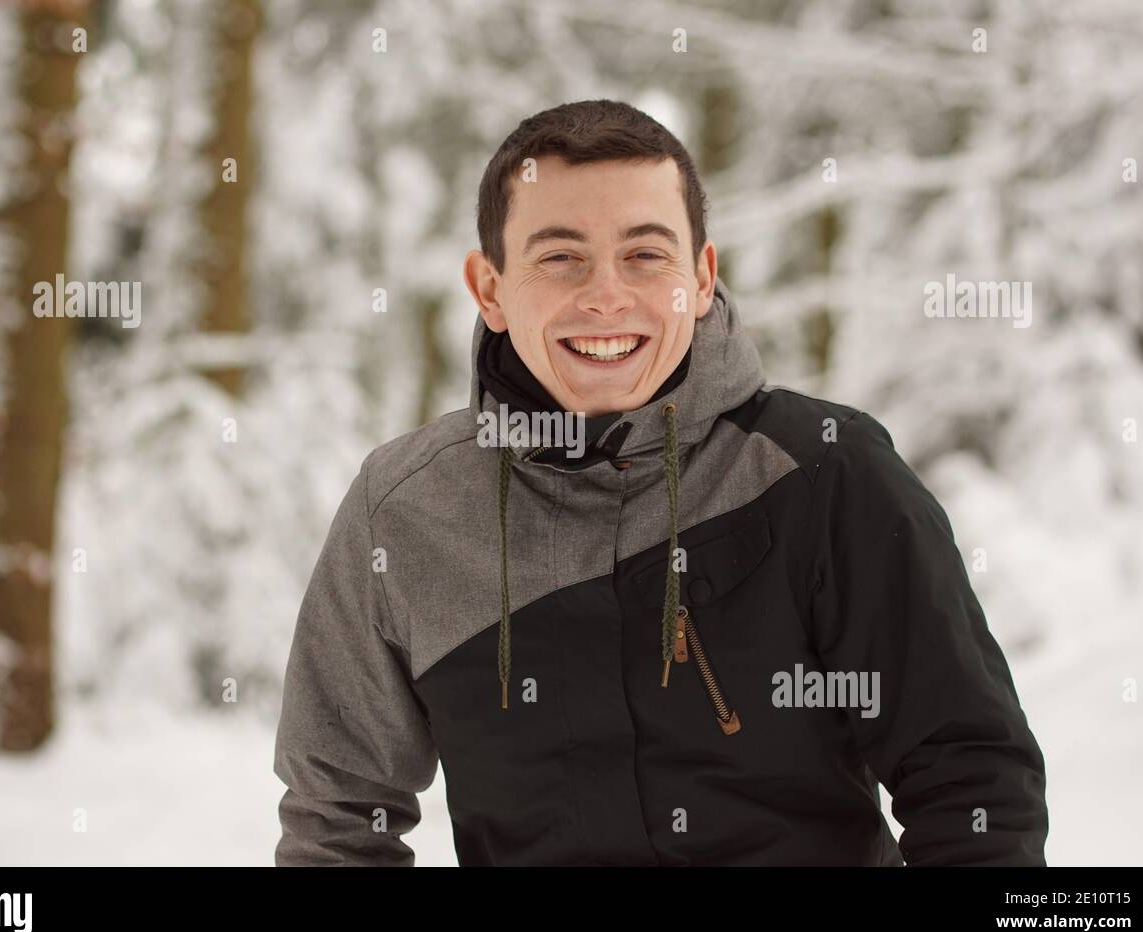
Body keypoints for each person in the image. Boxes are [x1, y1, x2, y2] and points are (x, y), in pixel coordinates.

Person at [273, 99, 1048, 866]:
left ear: (702, 277)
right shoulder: (405, 514)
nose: (606, 296)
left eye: (645, 254)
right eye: (560, 257)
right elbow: (339, 823)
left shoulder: (822, 471)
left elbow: (970, 779)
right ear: (490, 290)